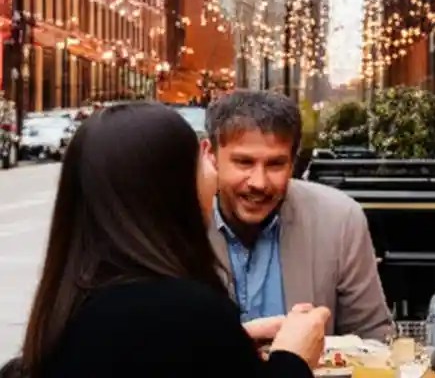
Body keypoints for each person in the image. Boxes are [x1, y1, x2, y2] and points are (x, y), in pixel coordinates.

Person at [20, 102, 330, 378]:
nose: (212, 173)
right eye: (200, 162)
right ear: (171, 189)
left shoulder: (74, 299)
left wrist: (231, 341)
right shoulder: (186, 309)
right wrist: (294, 359)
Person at [205, 90, 394, 340]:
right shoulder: (176, 222)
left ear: (293, 163)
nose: (259, 182)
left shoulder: (339, 220)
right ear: (211, 155)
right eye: (244, 162)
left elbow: (374, 340)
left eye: (275, 164)